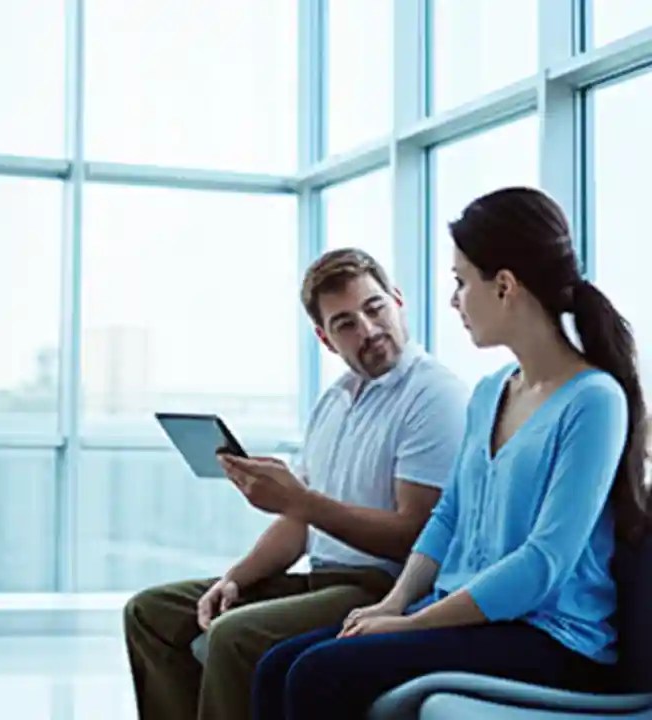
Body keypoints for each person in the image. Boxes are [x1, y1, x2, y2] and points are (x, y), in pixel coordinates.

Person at [251, 187, 651, 720]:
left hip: (550, 636)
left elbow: (542, 564)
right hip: (469, 619)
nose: (453, 299)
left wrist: (416, 624)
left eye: (461, 282)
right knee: (276, 664)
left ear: (504, 286)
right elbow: (448, 517)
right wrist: (393, 603)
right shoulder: (491, 392)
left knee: (318, 674)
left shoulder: (594, 400)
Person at [124, 248, 468, 720]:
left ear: (398, 300)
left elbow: (414, 534)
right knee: (151, 613)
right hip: (318, 579)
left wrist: (301, 500)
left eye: (374, 308)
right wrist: (234, 579)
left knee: (233, 636)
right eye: (346, 323)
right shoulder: (335, 400)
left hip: (380, 587)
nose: (368, 330)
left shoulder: (434, 395)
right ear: (325, 339)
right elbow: (298, 523)